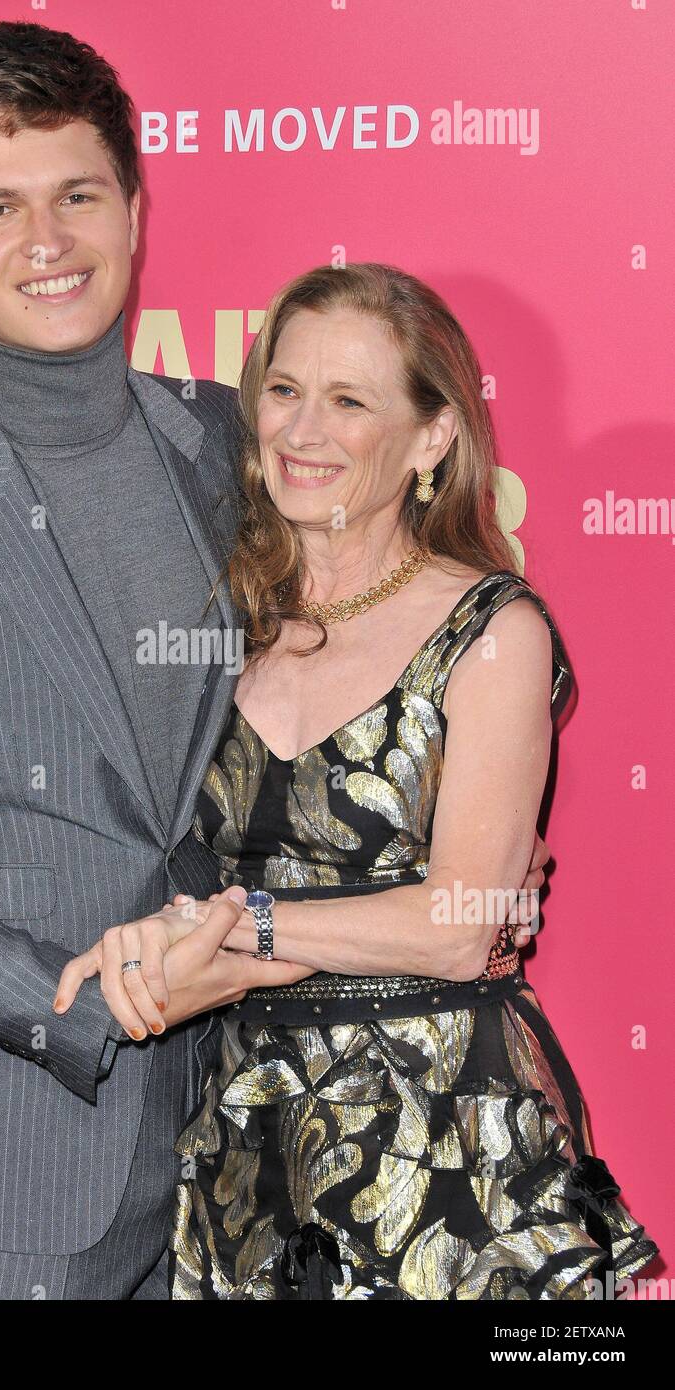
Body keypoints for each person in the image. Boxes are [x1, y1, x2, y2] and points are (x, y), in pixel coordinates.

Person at [0, 20, 549, 1300]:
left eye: (78, 193)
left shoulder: (233, 444)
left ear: (133, 208)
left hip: (257, 1137)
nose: (47, 240)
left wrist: (464, 878)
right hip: (28, 1157)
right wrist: (92, 999)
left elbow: (380, 660)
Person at [55, 264, 660, 1300]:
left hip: (440, 1142)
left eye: (350, 401)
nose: (304, 429)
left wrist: (241, 926)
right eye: (284, 390)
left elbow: (461, 925)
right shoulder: (214, 620)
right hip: (244, 1136)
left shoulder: (488, 631)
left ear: (432, 439)